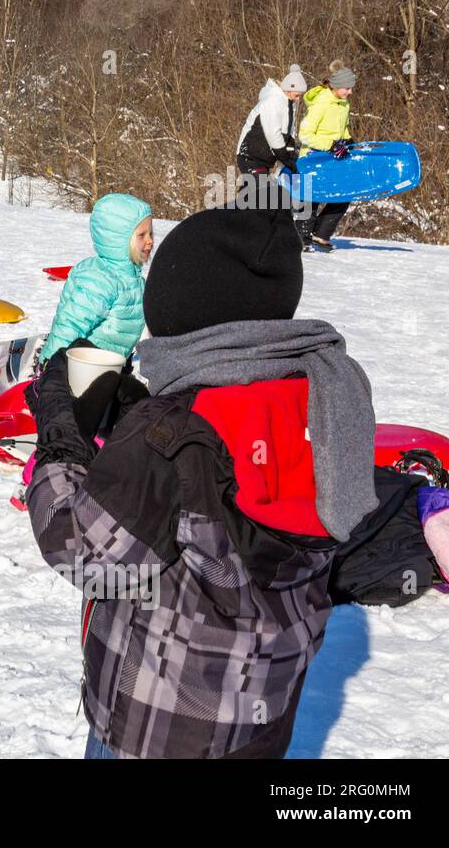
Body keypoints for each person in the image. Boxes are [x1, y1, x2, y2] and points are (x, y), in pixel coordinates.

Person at [26, 205, 380, 758]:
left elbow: (80, 547)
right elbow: (226, 475)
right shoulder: (325, 394)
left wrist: (59, 438)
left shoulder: (175, 432)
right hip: (261, 717)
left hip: (157, 727)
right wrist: (140, 419)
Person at [38, 193, 152, 367]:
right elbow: (70, 324)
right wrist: (50, 364)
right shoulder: (99, 279)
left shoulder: (134, 280)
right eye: (142, 235)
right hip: (79, 371)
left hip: (107, 371)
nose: (150, 241)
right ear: (118, 240)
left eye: (150, 233)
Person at [298, 59, 357, 252]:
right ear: (336, 86)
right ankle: (301, 239)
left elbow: (343, 128)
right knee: (312, 196)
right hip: (313, 156)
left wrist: (348, 141)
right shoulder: (321, 103)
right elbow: (304, 134)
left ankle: (321, 234)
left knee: (344, 192)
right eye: (347, 88)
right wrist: (330, 145)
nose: (350, 92)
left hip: (333, 156)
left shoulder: (343, 103)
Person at [236, 64, 305, 180]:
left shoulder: (289, 104)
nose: (298, 99)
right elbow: (273, 134)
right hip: (250, 156)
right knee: (265, 194)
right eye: (297, 95)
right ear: (289, 89)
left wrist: (292, 152)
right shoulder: (272, 102)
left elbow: (288, 133)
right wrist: (285, 158)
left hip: (264, 159)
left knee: (263, 193)